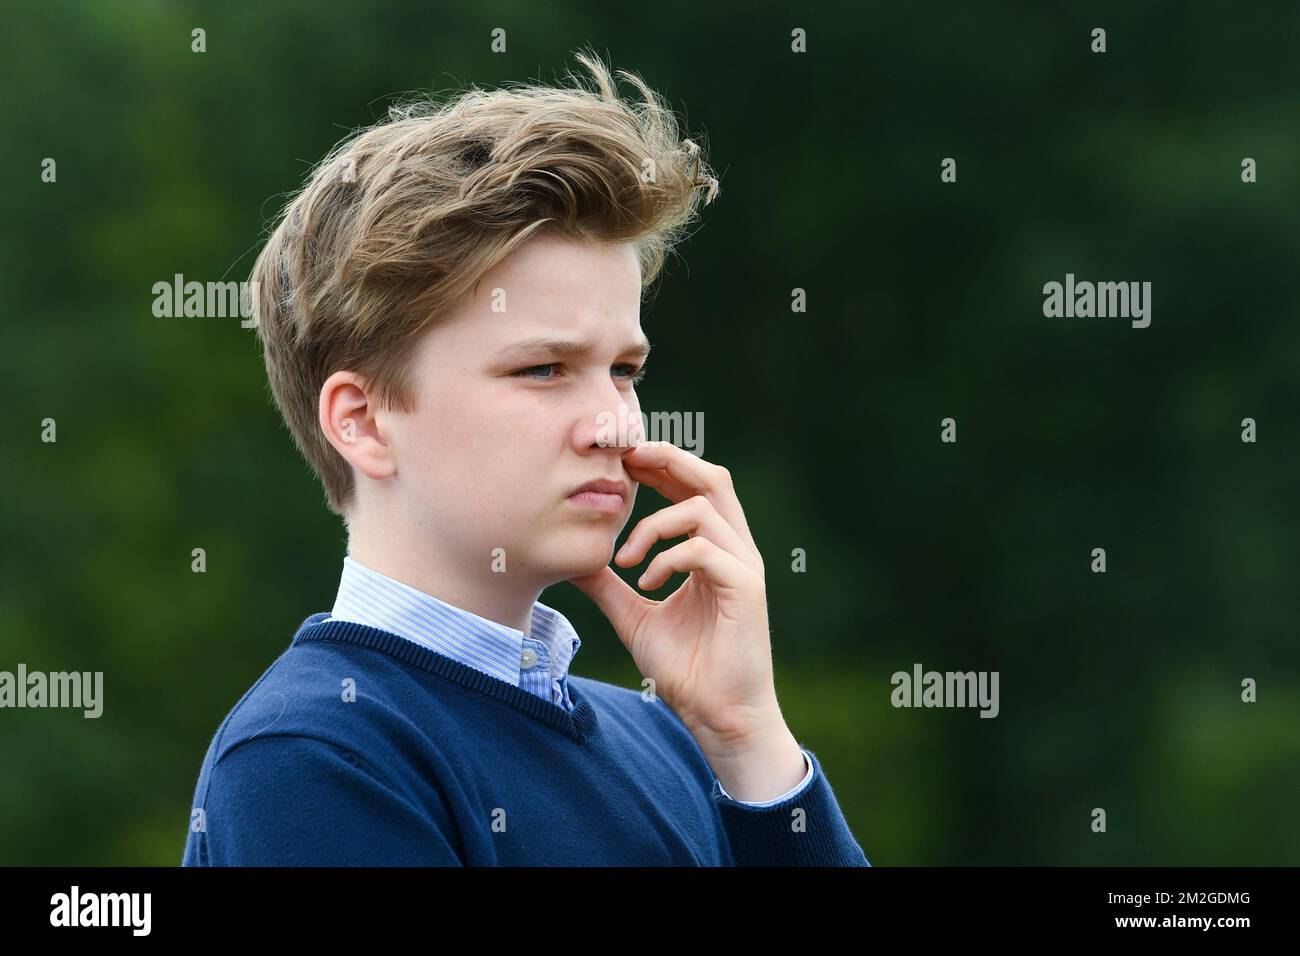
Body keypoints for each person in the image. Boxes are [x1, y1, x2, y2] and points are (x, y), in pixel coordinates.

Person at [181, 49, 869, 866]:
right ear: (361, 421)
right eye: (543, 369)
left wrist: (747, 738)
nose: (615, 425)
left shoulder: (676, 743)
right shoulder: (313, 755)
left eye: (624, 371)